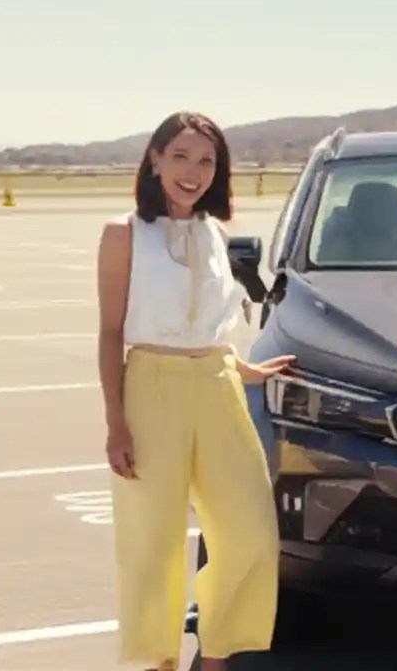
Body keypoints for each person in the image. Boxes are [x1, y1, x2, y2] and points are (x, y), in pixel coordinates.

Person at [95, 111, 294, 670]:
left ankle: (218, 653)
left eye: (207, 160)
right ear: (155, 160)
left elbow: (207, 329)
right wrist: (115, 424)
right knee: (152, 542)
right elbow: (110, 333)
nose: (193, 171)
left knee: (250, 531)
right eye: (180, 156)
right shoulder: (123, 234)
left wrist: (245, 369)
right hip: (150, 387)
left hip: (217, 386)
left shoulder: (215, 234)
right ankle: (159, 660)